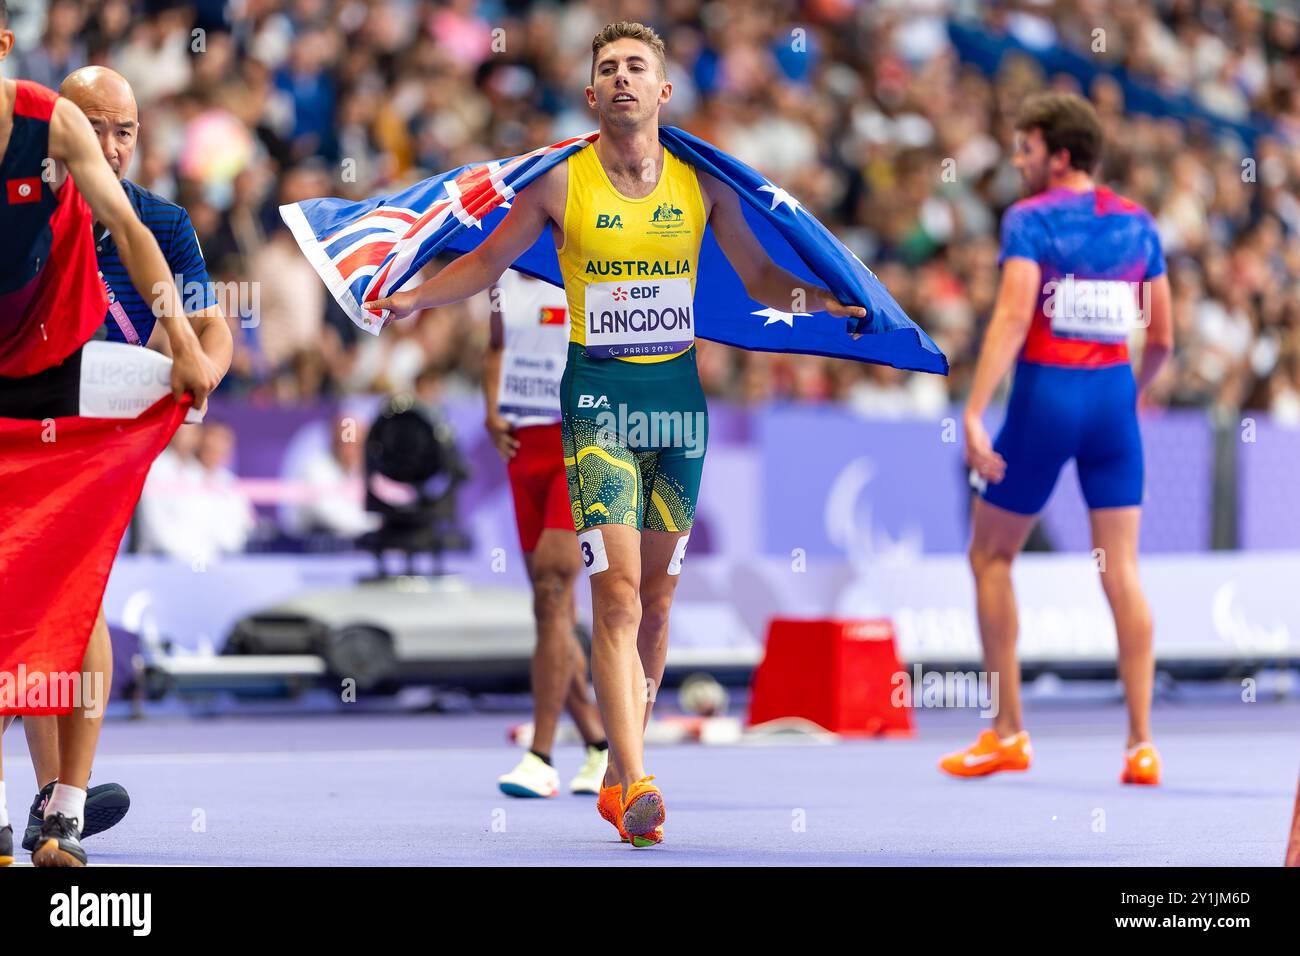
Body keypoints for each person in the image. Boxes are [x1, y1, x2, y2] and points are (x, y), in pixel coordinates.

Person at [365, 20, 865, 847]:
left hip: (678, 406)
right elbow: (489, 265)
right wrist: (416, 295)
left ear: (664, 91)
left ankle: (625, 757)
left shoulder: (701, 184)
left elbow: (763, 277)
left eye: (638, 66)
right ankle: (633, 778)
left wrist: (832, 304)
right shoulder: (560, 184)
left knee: (661, 602)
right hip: (598, 403)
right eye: (608, 69)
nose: (623, 78)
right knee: (619, 595)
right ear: (592, 95)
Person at [0, 0, 223, 866]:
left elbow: (129, 231)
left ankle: (63, 808)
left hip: (66, 375)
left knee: (74, 577)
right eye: (101, 127)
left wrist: (181, 344)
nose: (111, 140)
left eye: (122, 128)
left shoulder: (47, 127)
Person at [942, 92, 1173, 784]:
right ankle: (1140, 745)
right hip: (1112, 404)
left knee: (990, 556)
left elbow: (1014, 316)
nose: (1017, 161)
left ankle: (1008, 731)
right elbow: (1162, 339)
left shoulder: (1029, 219)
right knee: (1122, 570)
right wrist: (1132, 394)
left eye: (1025, 149)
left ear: (1060, 155)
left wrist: (977, 409)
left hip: (1044, 400)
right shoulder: (1139, 223)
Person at [483, 269, 608, 799]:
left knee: (555, 588)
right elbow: (496, 347)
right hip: (521, 447)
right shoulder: (498, 277)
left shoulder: (585, 267)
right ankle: (601, 749)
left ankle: (540, 756)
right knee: (549, 605)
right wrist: (492, 411)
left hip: (578, 440)